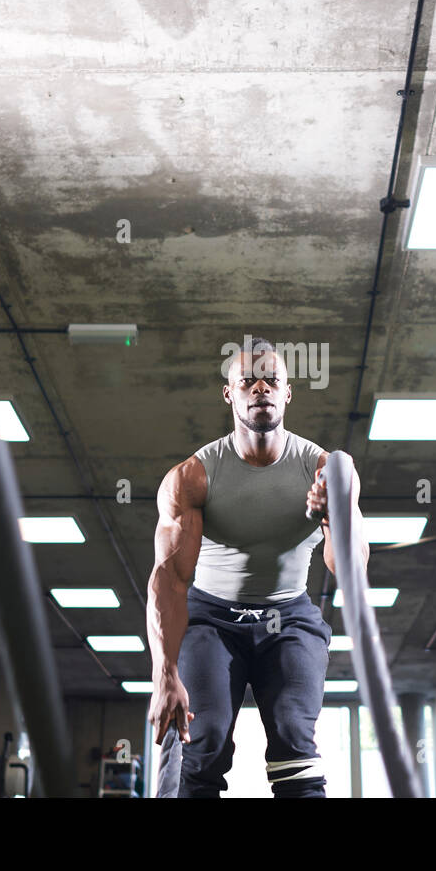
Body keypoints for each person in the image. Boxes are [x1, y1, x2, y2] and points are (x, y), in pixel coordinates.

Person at [147, 337, 368, 797]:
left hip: (289, 617)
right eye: (248, 380)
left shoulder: (326, 469)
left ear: (288, 393)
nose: (260, 388)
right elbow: (170, 579)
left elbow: (351, 573)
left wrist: (335, 516)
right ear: (229, 393)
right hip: (210, 618)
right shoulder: (193, 476)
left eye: (272, 380)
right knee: (202, 742)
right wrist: (164, 673)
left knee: (294, 739)